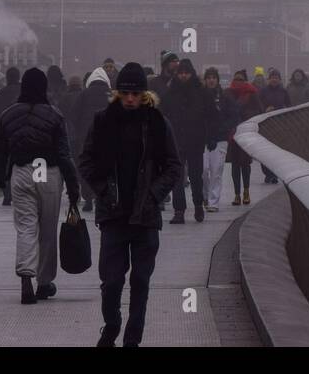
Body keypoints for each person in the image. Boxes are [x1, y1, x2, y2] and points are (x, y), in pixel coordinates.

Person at [78, 62, 182, 347]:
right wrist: (101, 190)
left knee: (140, 282)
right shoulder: (102, 121)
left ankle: (132, 340)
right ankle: (111, 326)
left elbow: (174, 167)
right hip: (113, 215)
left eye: (135, 93)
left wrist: (152, 195)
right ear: (117, 93)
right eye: (125, 93)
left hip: (145, 217)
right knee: (111, 283)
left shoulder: (158, 123)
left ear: (144, 94)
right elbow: (85, 161)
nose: (130, 99)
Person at [0, 67, 81, 304]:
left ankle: (25, 277)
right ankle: (44, 282)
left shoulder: (9, 115)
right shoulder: (54, 115)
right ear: (44, 88)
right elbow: (64, 154)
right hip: (49, 173)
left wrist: (1, 179)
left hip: (21, 172)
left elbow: (0, 151)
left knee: (26, 227)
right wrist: (73, 187)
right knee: (47, 230)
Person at [160, 58, 213, 223]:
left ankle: (198, 206)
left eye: (186, 73)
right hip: (175, 140)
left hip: (196, 140)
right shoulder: (170, 93)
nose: (183, 76)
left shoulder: (202, 92)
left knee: (196, 175)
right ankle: (179, 211)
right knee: (177, 176)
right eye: (181, 73)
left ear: (191, 73)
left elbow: (211, 116)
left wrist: (211, 137)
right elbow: (162, 116)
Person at [70, 68, 111, 213]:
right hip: (107, 137)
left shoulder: (84, 94)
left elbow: (74, 115)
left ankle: (87, 197)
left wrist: (80, 130)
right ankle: (103, 195)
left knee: (87, 167)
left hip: (86, 136)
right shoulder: (111, 95)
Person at [201, 68, 240, 213]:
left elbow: (234, 116)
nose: (211, 80)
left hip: (220, 139)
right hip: (203, 139)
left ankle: (213, 202)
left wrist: (224, 129)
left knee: (216, 171)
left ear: (217, 80)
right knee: (203, 170)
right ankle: (205, 195)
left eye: (213, 77)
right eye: (208, 77)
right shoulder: (199, 96)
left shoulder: (225, 97)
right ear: (205, 80)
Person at [224, 69, 262, 206]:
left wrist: (245, 115)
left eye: (241, 79)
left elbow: (259, 111)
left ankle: (246, 191)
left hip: (246, 132)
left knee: (245, 164)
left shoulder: (252, 93)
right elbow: (225, 110)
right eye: (236, 79)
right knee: (235, 164)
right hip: (233, 133)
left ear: (245, 80)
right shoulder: (228, 93)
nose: (238, 81)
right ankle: (237, 194)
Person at [0, 67, 22, 206]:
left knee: (4, 164)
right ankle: (21, 192)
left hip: (4, 134)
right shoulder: (25, 92)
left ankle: (7, 193)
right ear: (18, 77)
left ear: (7, 78)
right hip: (22, 134)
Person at [258, 68, 290, 184]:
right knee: (265, 151)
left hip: (279, 124)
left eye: (276, 77)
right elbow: (258, 104)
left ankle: (274, 174)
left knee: (276, 151)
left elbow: (289, 105)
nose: (274, 80)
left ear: (280, 79)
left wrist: (283, 110)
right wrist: (264, 110)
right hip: (265, 123)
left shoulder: (283, 91)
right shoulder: (263, 91)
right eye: (272, 77)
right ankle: (267, 173)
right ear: (269, 79)